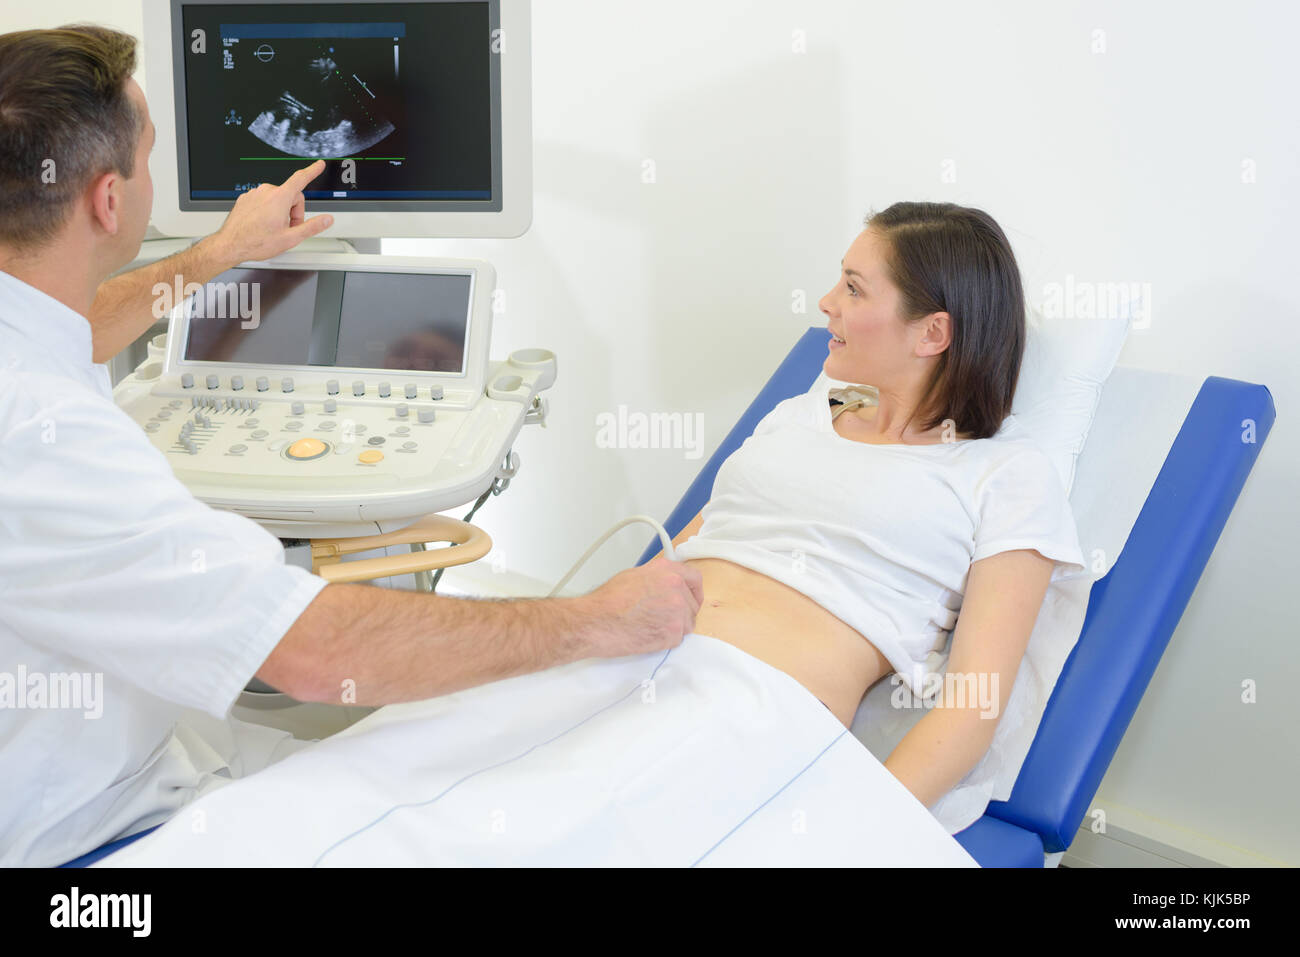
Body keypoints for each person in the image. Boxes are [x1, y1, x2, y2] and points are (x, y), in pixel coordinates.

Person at [0, 25, 701, 867]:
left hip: (136, 754)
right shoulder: (47, 441)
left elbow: (74, 328)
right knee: (487, 808)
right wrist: (592, 619)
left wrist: (227, 250)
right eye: (150, 154)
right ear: (111, 202)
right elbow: (312, 651)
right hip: (88, 833)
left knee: (412, 755)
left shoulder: (28, 339)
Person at [656, 202, 1085, 814]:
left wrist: (866, 830)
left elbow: (974, 704)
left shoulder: (1006, 476)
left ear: (932, 333)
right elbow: (677, 558)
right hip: (626, 661)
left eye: (854, 289)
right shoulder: (794, 418)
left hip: (747, 715)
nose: (827, 302)